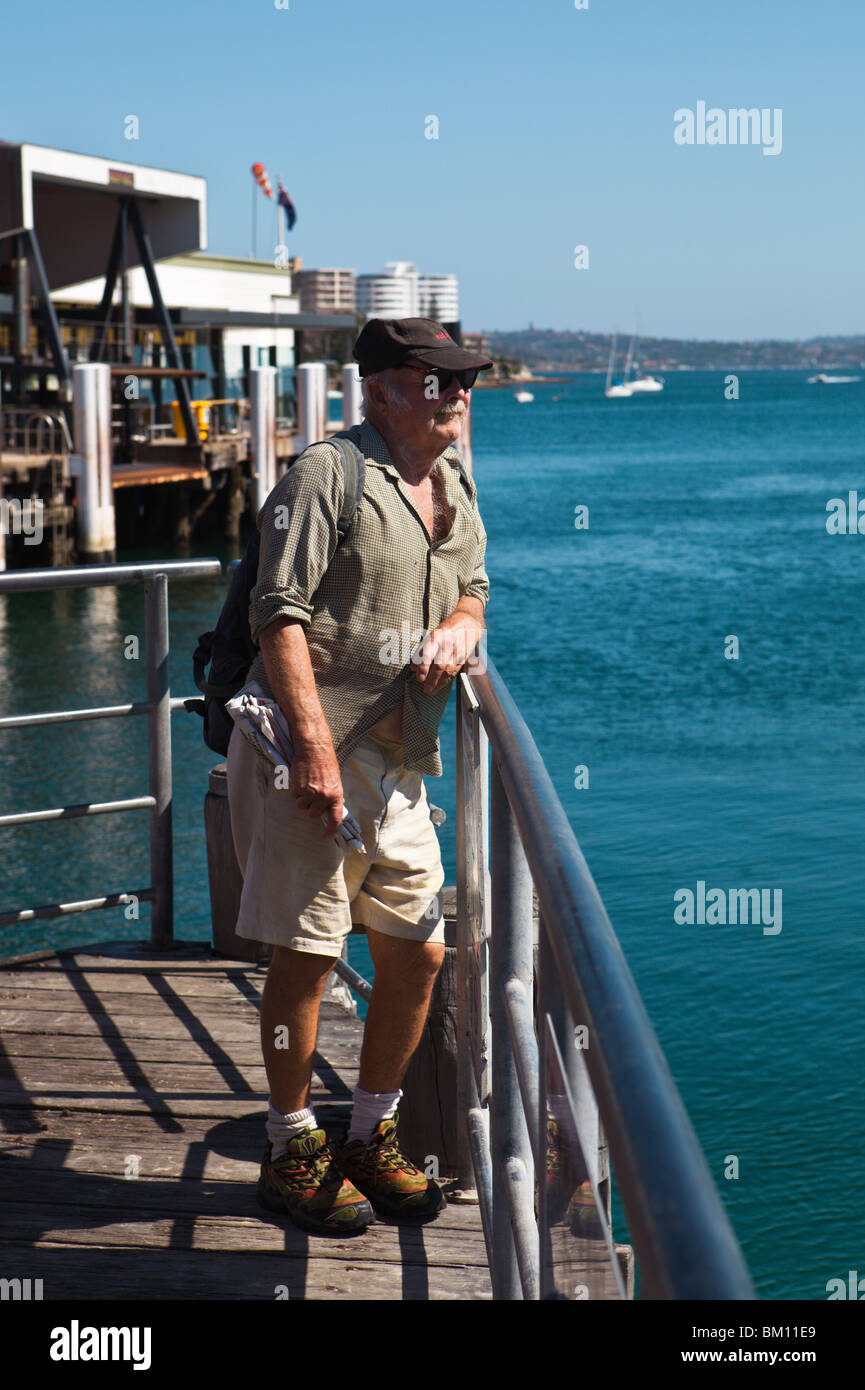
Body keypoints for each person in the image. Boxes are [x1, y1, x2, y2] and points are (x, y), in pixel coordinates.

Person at [226, 317, 493, 1236]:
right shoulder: (326, 475)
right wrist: (310, 746)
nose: (456, 392)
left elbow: (476, 584)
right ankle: (291, 1145)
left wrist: (461, 627)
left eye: (464, 378)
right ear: (378, 390)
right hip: (309, 753)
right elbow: (278, 612)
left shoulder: (451, 480)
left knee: (418, 950)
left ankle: (370, 1133)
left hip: (403, 761)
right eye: (434, 378)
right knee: (305, 957)